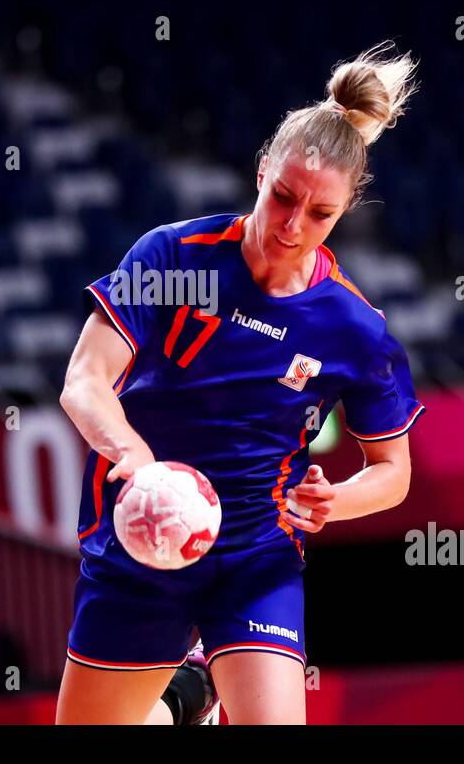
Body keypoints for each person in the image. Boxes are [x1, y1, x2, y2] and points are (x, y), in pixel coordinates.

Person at [56, 45, 424, 724]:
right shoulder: (173, 256)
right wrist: (133, 459)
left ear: (344, 213)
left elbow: (394, 471)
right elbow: (84, 381)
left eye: (320, 214)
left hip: (257, 552)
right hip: (140, 536)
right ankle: (185, 698)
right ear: (261, 173)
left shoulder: (355, 329)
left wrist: (333, 501)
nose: (293, 225)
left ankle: (189, 692)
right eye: (283, 196)